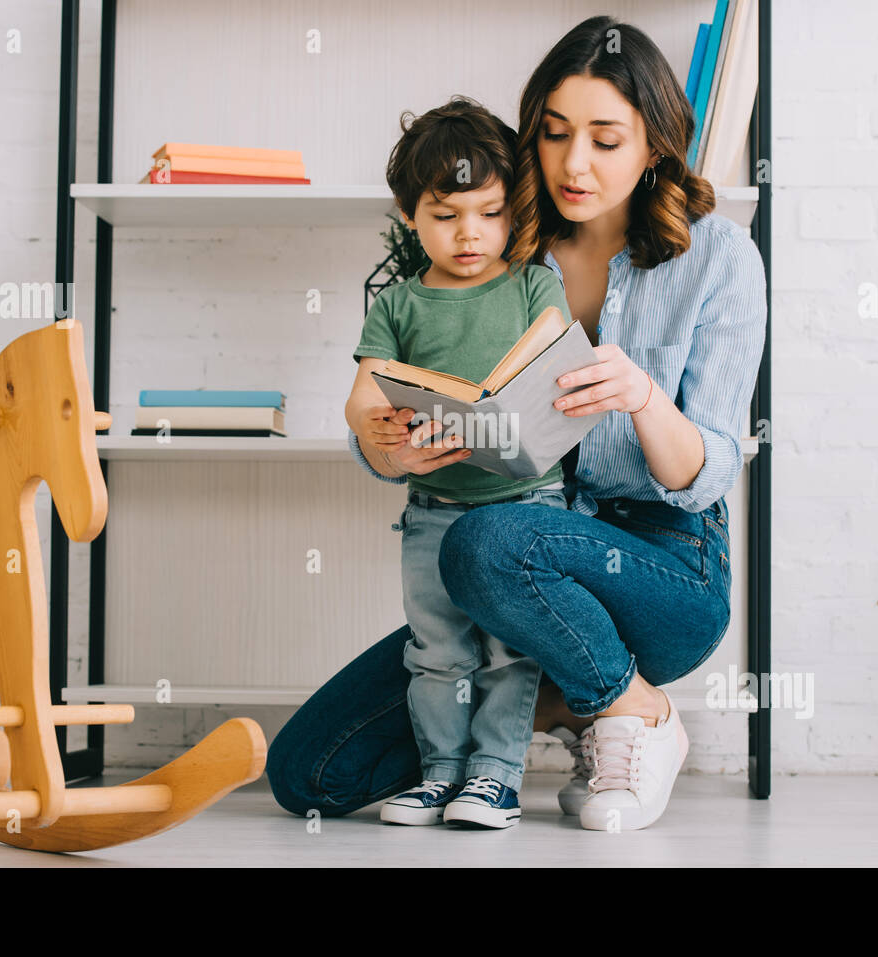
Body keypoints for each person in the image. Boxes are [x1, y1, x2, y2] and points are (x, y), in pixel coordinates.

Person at [269, 14, 766, 831]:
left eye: (607, 140)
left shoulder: (717, 257)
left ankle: (636, 712)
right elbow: (394, 386)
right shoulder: (499, 241)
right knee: (310, 771)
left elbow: (705, 471)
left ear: (655, 147)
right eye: (555, 134)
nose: (575, 164)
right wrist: (388, 443)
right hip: (509, 564)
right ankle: (572, 699)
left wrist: (642, 397)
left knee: (483, 543)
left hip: (663, 565)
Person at [345, 96, 574, 828]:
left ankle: (496, 777)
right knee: (436, 650)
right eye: (446, 216)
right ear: (410, 216)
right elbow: (361, 400)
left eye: (490, 212)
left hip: (525, 505)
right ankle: (442, 772)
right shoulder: (398, 306)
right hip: (433, 511)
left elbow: (553, 366)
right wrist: (383, 436)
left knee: (510, 651)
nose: (470, 234)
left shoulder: (536, 284)